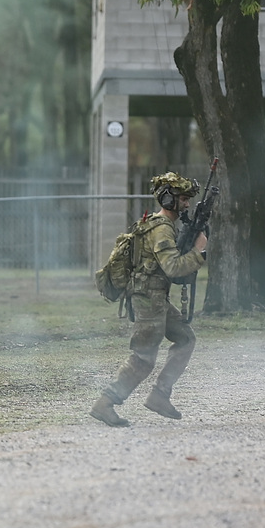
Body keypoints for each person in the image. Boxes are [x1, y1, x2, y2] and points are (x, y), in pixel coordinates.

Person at [90, 172, 209, 427]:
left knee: (186, 338)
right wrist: (198, 252)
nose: (187, 203)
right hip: (148, 299)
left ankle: (159, 395)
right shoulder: (162, 229)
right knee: (144, 357)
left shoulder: (156, 224)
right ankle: (105, 403)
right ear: (168, 200)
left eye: (188, 199)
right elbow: (173, 267)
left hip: (154, 298)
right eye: (183, 198)